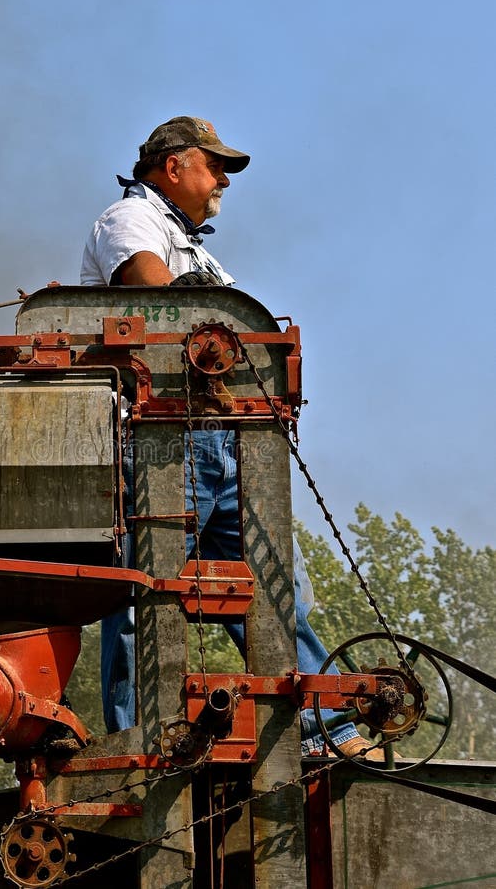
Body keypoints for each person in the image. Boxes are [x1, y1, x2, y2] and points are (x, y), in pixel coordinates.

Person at [81, 116, 368, 757]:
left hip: (222, 443)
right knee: (142, 596)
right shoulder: (128, 221)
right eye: (216, 168)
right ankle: (138, 738)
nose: (223, 184)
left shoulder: (199, 250)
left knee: (269, 585)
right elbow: (155, 295)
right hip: (158, 444)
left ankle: (330, 731)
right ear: (175, 165)